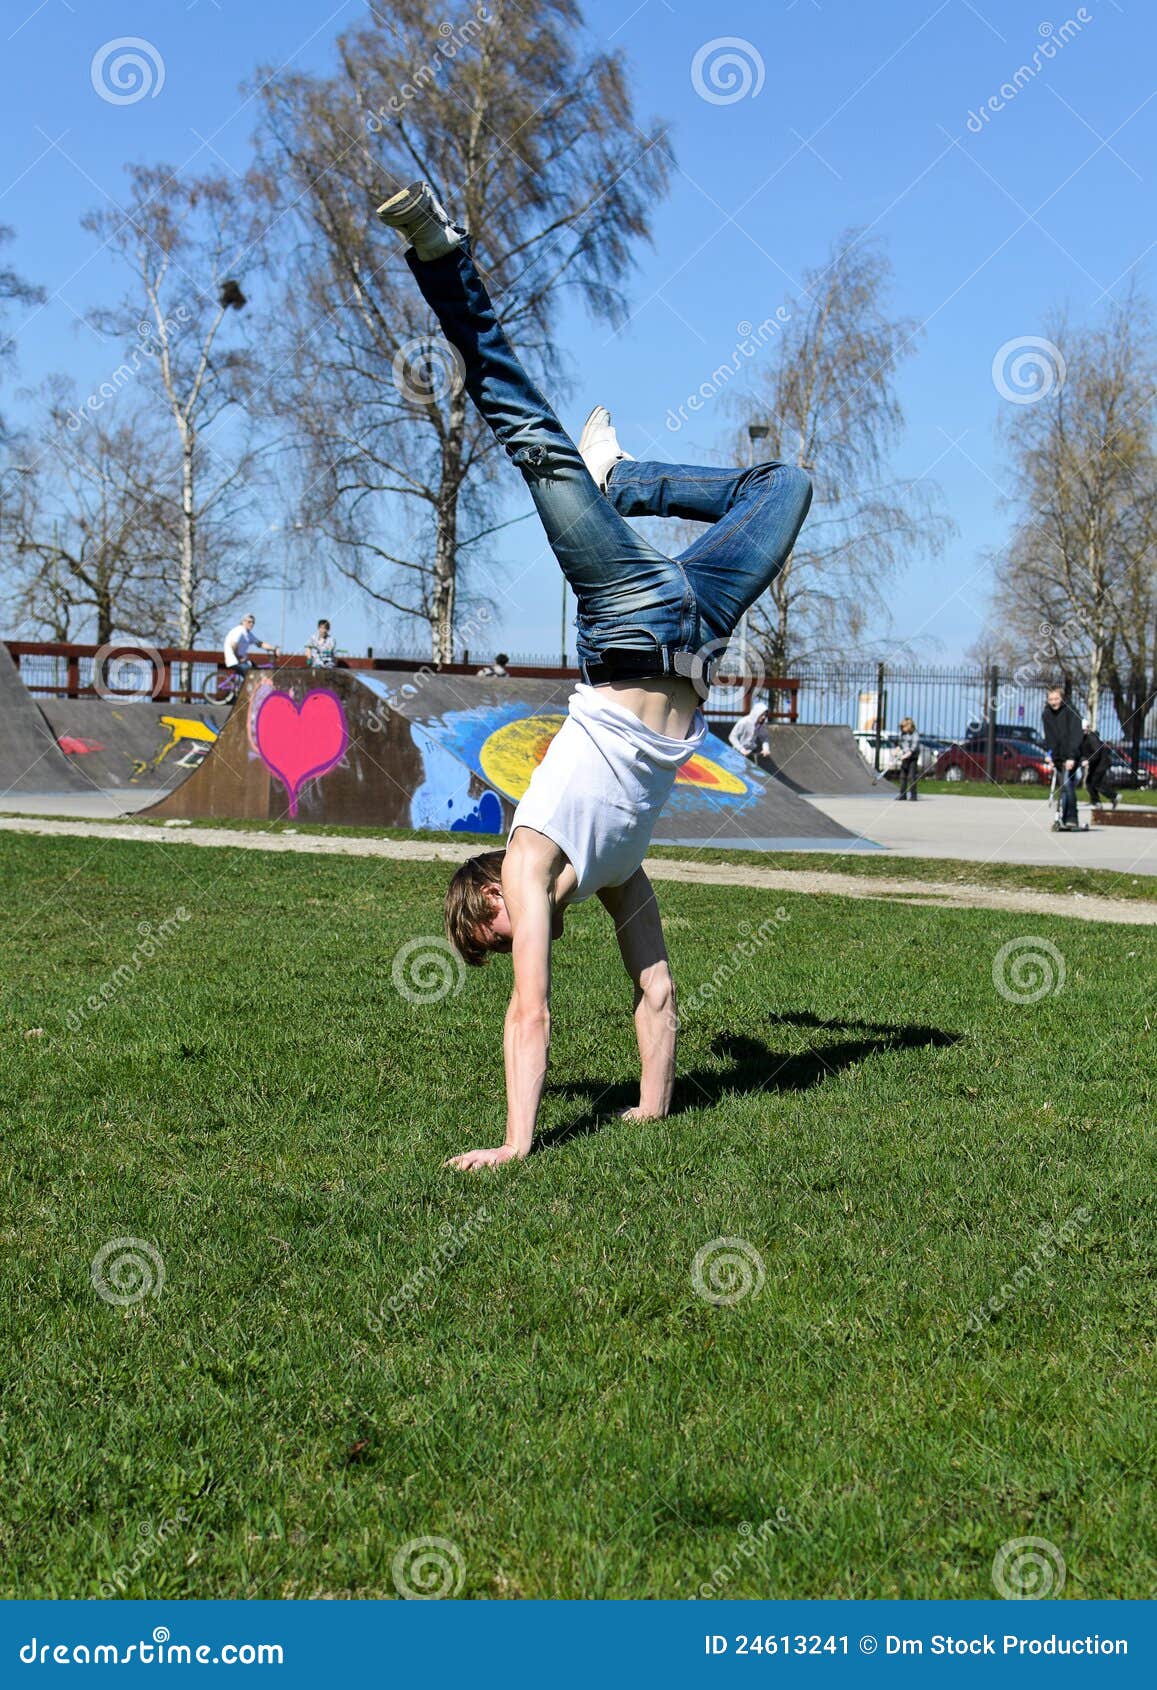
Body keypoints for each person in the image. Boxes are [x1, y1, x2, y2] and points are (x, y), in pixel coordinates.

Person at [377, 182, 812, 1171]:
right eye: (499, 947)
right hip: (700, 628)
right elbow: (656, 991)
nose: (511, 944)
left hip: (625, 613)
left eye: (491, 931)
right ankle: (625, 479)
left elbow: (529, 1013)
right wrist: (651, 1109)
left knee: (532, 443)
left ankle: (439, 256)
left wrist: (514, 1143)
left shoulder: (527, 858)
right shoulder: (615, 874)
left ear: (491, 888)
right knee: (785, 484)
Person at [1041, 684, 1084, 829]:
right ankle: (1064, 818)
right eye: (1051, 699)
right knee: (1064, 787)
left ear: (1062, 698)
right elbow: (1049, 737)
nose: (1054, 702)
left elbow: (1076, 735)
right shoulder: (1046, 714)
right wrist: (1049, 754)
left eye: (1056, 699)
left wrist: (1072, 756)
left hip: (1071, 755)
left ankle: (1072, 817)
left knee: (1067, 784)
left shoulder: (1071, 711)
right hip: (1058, 756)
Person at [222, 614, 278, 679]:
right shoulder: (239, 630)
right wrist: (239, 657)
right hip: (234, 661)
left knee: (256, 670)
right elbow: (233, 644)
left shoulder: (248, 634)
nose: (251, 624)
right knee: (252, 675)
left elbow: (260, 644)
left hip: (241, 661)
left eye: (253, 622)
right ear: (243, 622)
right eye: (249, 622)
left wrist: (274, 649)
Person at [1080, 718, 1118, 810]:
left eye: (1084, 729)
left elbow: (1096, 753)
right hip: (1095, 764)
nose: (1083, 731)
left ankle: (1113, 797)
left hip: (1101, 764)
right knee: (1090, 783)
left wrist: (1088, 760)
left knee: (1095, 783)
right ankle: (1096, 801)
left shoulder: (1092, 738)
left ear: (1088, 728)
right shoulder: (1084, 738)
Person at [895, 717, 921, 801]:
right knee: (903, 776)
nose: (901, 728)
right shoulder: (902, 734)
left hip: (913, 757)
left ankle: (913, 795)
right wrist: (896, 751)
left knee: (911, 776)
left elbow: (913, 749)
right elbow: (900, 745)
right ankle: (902, 795)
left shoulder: (915, 734)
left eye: (903, 727)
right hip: (905, 757)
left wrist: (905, 756)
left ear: (908, 726)